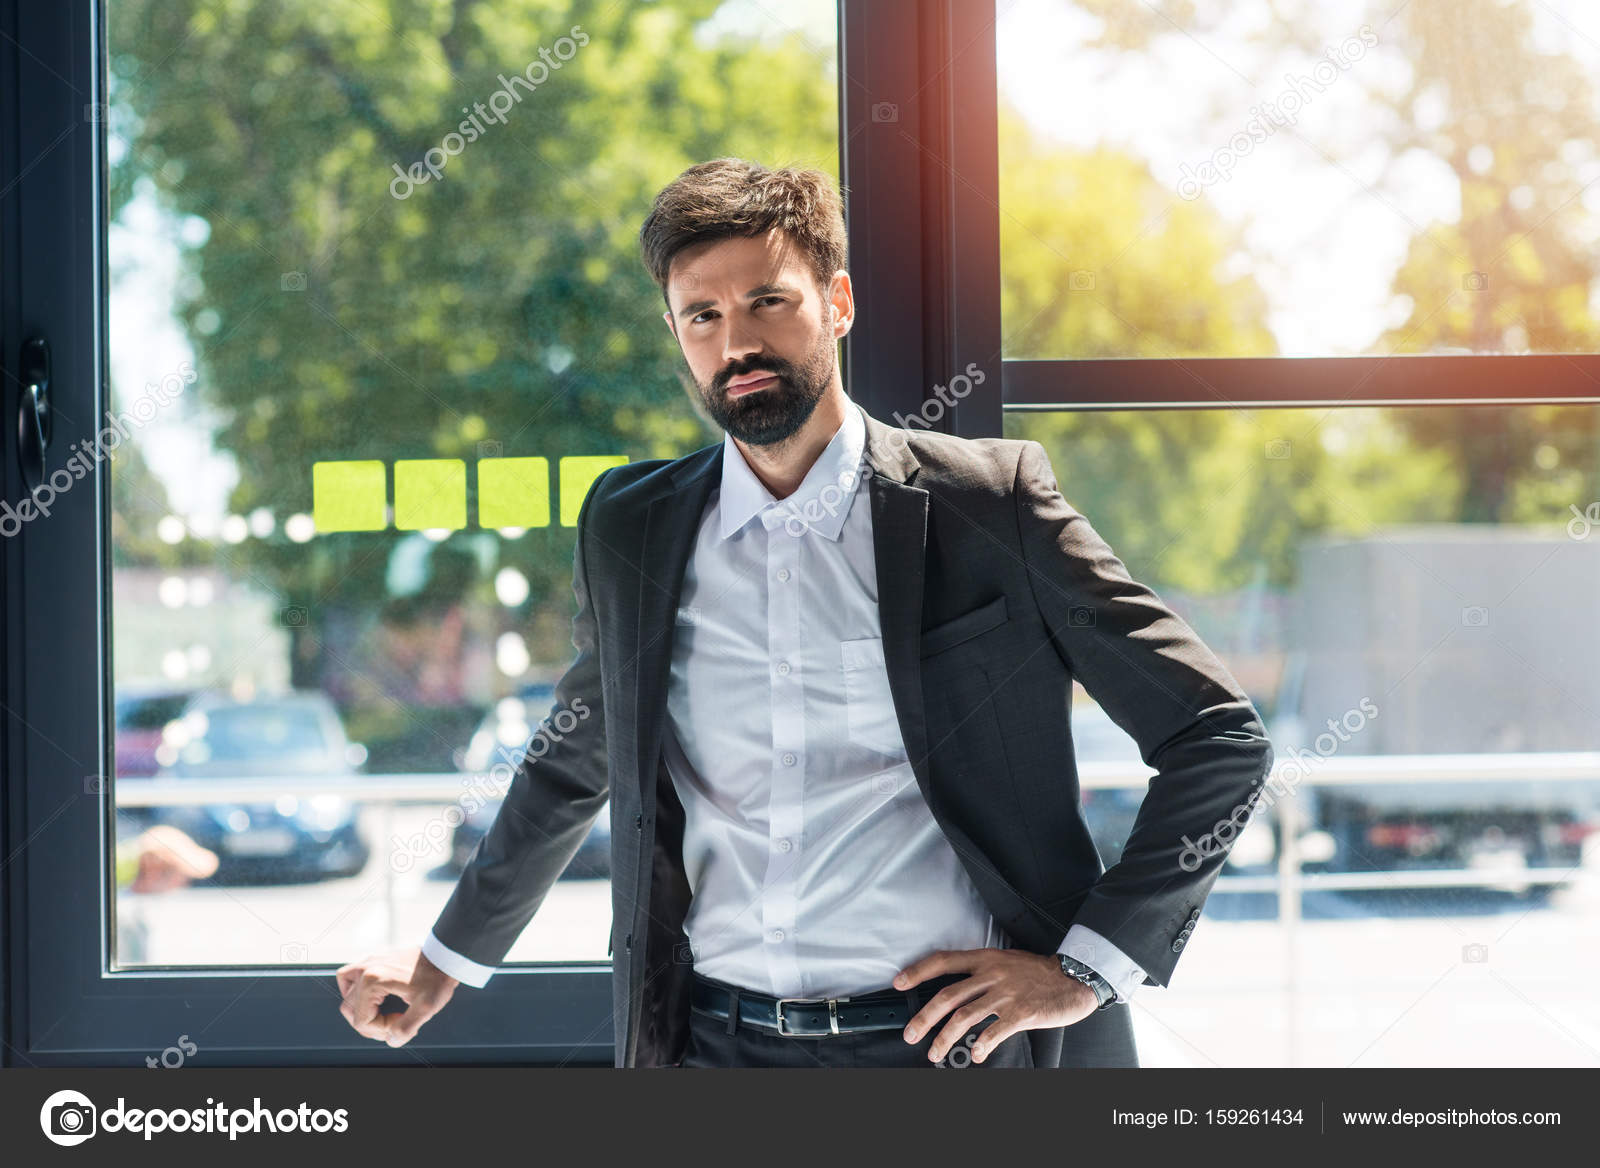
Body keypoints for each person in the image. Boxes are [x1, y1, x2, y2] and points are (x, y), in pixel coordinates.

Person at [337, 158, 1274, 1068]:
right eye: (702, 316)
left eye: (766, 303)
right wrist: (443, 959)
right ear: (677, 334)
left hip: (953, 1053)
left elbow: (1218, 737)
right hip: (709, 1044)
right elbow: (576, 758)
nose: (735, 342)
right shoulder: (633, 527)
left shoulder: (988, 507)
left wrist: (1086, 969)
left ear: (837, 302)